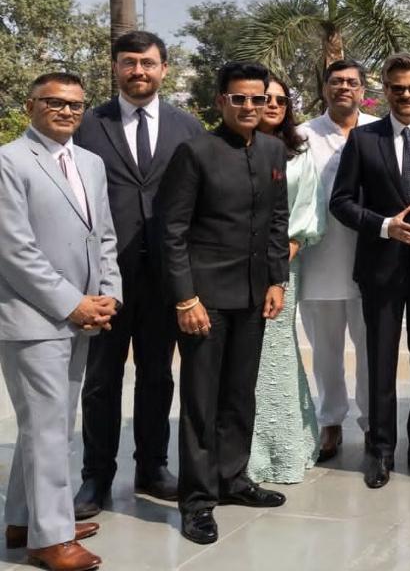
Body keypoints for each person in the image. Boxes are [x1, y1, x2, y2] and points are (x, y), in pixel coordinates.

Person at [72, 31, 204, 518]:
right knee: (101, 379)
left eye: (147, 63)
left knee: (157, 376)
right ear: (116, 69)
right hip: (105, 278)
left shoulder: (187, 127)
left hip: (165, 277)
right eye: (129, 63)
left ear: (164, 68)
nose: (139, 72)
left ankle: (152, 466)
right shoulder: (88, 126)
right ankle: (95, 476)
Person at [159, 61, 290, 544]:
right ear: (221, 102)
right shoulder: (195, 153)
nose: (251, 106)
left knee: (240, 394)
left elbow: (278, 220)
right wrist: (185, 298)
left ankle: (232, 478)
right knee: (201, 401)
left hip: (255, 296)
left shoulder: (274, 150)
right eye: (240, 99)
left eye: (259, 98)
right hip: (205, 299)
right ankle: (196, 500)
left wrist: (278, 280)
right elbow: (171, 231)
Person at [0, 73, 117, 571]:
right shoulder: (7, 161)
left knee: (48, 424)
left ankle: (26, 520)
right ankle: (50, 540)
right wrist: (72, 303)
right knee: (48, 428)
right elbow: (13, 249)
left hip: (84, 316)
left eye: (75, 105)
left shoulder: (89, 162)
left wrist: (109, 295)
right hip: (34, 317)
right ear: (31, 105)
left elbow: (103, 235)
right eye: (55, 102)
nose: (67, 111)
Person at [330, 52, 410, 490]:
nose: (407, 95)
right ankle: (381, 450)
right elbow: (342, 202)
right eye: (398, 88)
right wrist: (386, 226)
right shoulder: (364, 140)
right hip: (380, 269)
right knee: (381, 361)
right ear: (384, 89)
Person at [297, 60, 378, 463]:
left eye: (352, 82)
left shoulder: (379, 130)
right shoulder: (302, 136)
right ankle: (330, 423)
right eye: (336, 81)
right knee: (325, 349)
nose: (344, 87)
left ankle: (371, 424)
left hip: (371, 260)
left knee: (370, 348)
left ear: (363, 89)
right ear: (325, 88)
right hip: (319, 260)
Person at [247, 74, 323, 484]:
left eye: (279, 99)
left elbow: (308, 214)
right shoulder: (231, 148)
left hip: (282, 268)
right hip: (235, 270)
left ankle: (284, 446)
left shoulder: (298, 152)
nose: (272, 104)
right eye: (264, 98)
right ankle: (247, 447)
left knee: (276, 352)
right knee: (245, 357)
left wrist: (276, 264)